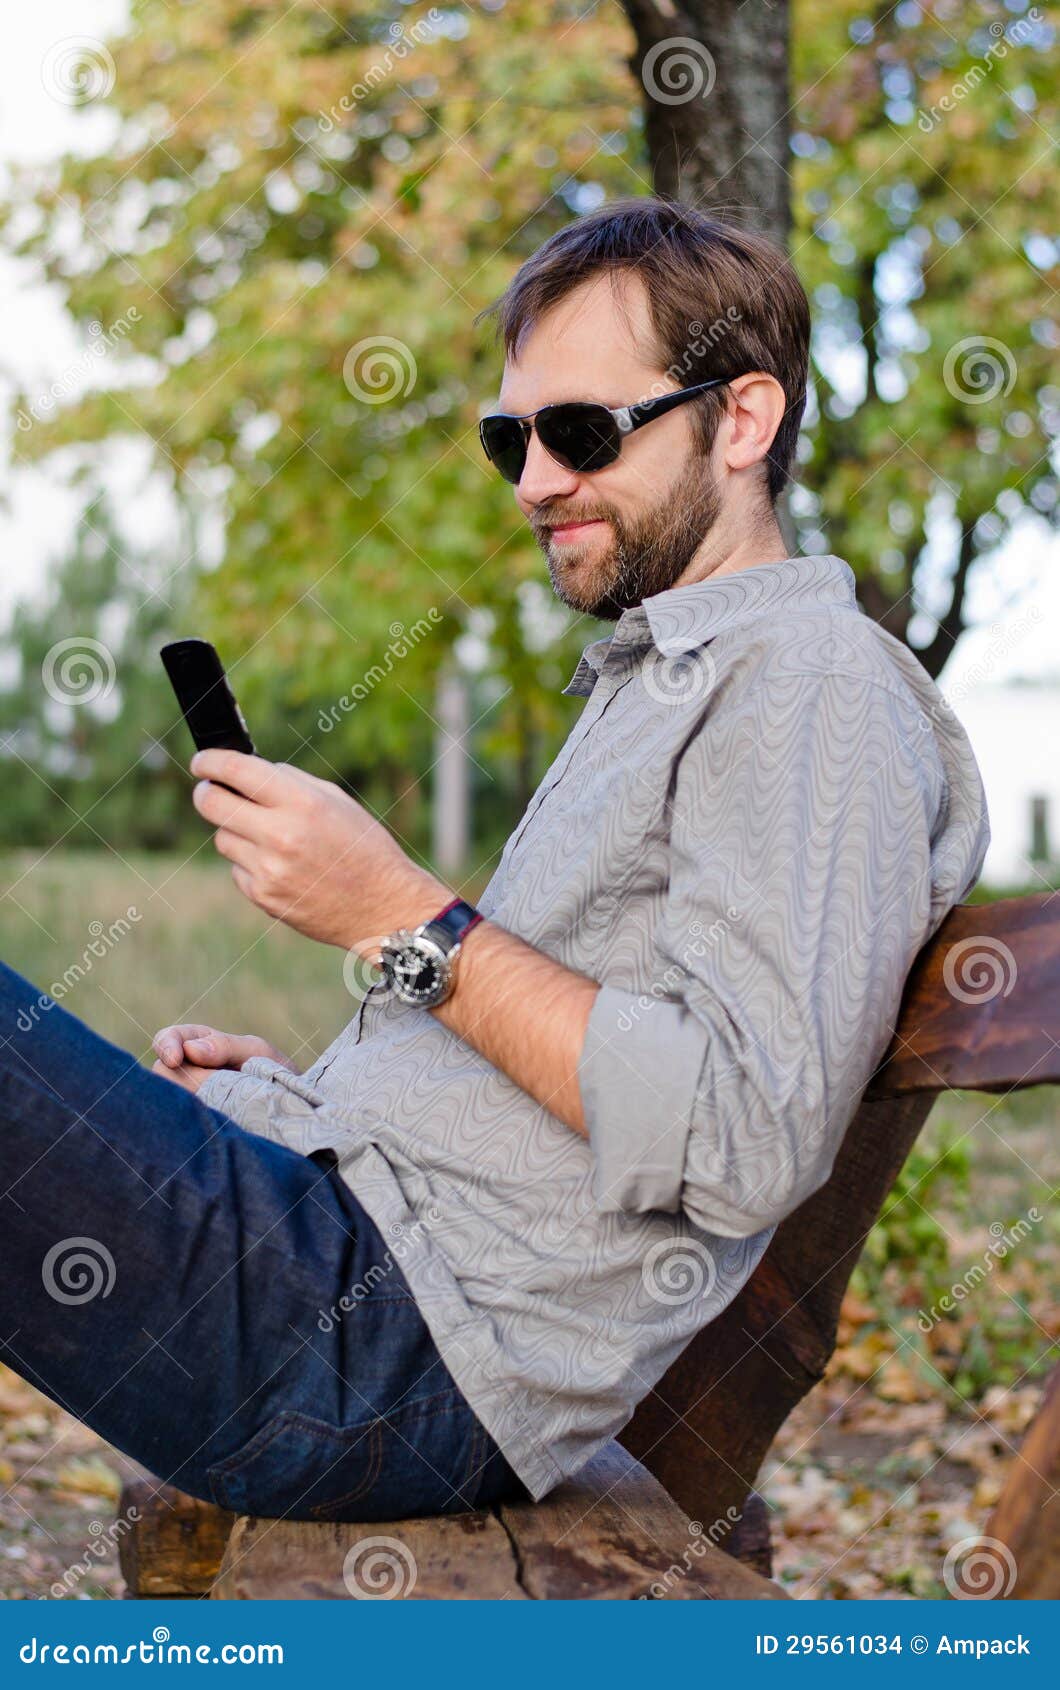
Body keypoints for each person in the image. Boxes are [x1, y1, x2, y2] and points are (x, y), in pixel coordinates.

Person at [0, 197, 989, 1523]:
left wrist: (393, 910)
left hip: (379, 1355)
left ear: (742, 420)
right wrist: (307, 1096)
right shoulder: (671, 678)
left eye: (581, 431)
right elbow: (548, 1054)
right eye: (508, 438)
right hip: (339, 1255)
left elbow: (746, 1134)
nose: (533, 480)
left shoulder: (807, 684)